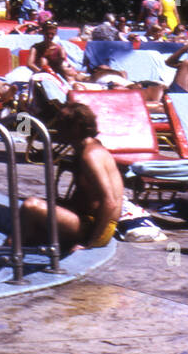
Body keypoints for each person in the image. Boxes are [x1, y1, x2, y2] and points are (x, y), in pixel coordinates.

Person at [21, 103, 122, 252]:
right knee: (34, 215)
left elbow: (110, 202)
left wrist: (91, 243)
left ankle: (13, 253)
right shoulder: (86, 148)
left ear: (75, 128)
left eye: (61, 122)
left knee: (30, 206)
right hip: (84, 218)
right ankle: (19, 249)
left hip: (94, 225)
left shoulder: (91, 155)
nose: (57, 127)